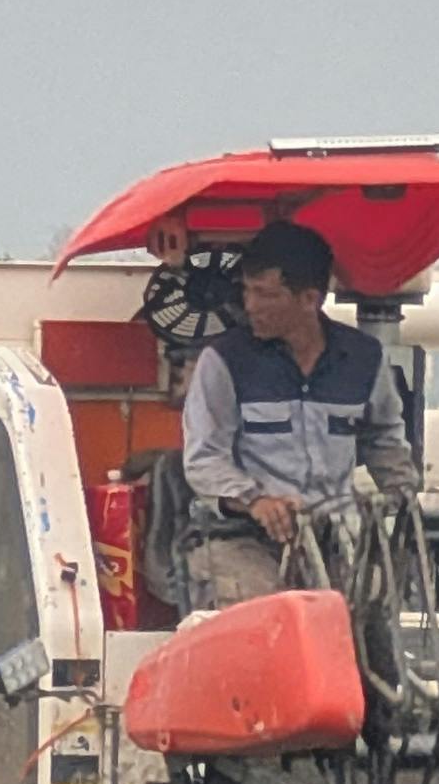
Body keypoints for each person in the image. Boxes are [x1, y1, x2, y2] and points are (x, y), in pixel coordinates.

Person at [160, 216, 421, 605]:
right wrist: (255, 501)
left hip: (335, 537)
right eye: (247, 291)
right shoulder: (224, 360)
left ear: (310, 299)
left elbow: (384, 439)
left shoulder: (365, 360)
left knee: (374, 604)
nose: (250, 306)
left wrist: (406, 501)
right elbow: (204, 459)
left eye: (265, 294)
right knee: (267, 612)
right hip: (240, 541)